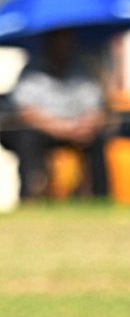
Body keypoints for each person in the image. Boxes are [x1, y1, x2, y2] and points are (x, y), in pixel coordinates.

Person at [4, 32, 109, 201]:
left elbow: (97, 108)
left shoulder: (83, 69)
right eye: (58, 42)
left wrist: (86, 125)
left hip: (79, 130)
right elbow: (25, 111)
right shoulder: (32, 71)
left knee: (98, 140)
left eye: (67, 41)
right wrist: (60, 128)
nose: (63, 47)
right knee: (26, 137)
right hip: (45, 130)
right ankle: (30, 194)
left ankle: (100, 196)